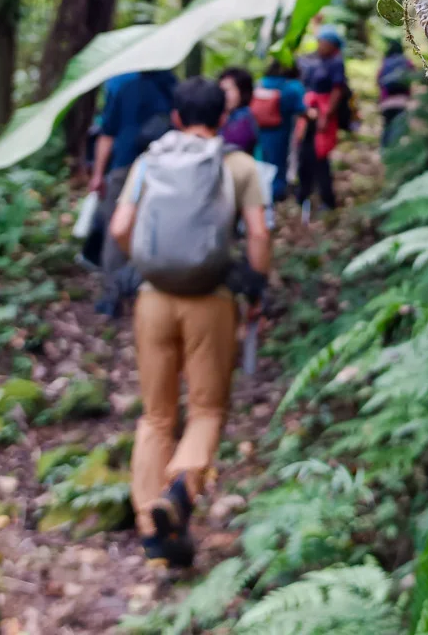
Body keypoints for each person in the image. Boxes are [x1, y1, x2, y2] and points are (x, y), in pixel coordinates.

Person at [110, 76, 271, 568]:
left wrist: (145, 264)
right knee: (205, 410)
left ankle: (151, 528)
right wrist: (257, 290)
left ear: (177, 117)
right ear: (223, 117)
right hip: (212, 299)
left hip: (154, 299)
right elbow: (259, 235)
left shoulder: (148, 161)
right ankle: (179, 487)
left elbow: (119, 227)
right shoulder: (240, 164)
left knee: (156, 415)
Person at [85, 70, 178, 272]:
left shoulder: (121, 84)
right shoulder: (173, 84)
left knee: (116, 232)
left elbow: (107, 133)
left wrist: (98, 174)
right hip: (166, 170)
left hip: (124, 166)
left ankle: (113, 294)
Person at [250, 59, 305, 206]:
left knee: (260, 159)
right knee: (279, 162)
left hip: (259, 130)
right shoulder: (293, 86)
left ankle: (260, 192)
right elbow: (301, 109)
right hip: (282, 131)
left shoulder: (261, 82)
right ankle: (276, 193)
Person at [299, 74, 354, 213]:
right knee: (314, 166)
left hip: (318, 138)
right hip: (315, 138)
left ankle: (325, 201)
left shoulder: (323, 99)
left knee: (319, 166)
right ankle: (308, 198)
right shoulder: (322, 98)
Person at [377, 37, 413, 150]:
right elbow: (413, 77)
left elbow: (378, 80)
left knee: (387, 126)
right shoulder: (406, 61)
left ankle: (384, 150)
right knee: (398, 127)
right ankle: (396, 151)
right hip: (402, 101)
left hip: (387, 101)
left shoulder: (385, 62)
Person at [218, 66, 257, 154]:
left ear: (243, 91)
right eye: (221, 90)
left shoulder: (243, 120)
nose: (223, 95)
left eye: (227, 90)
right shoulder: (228, 115)